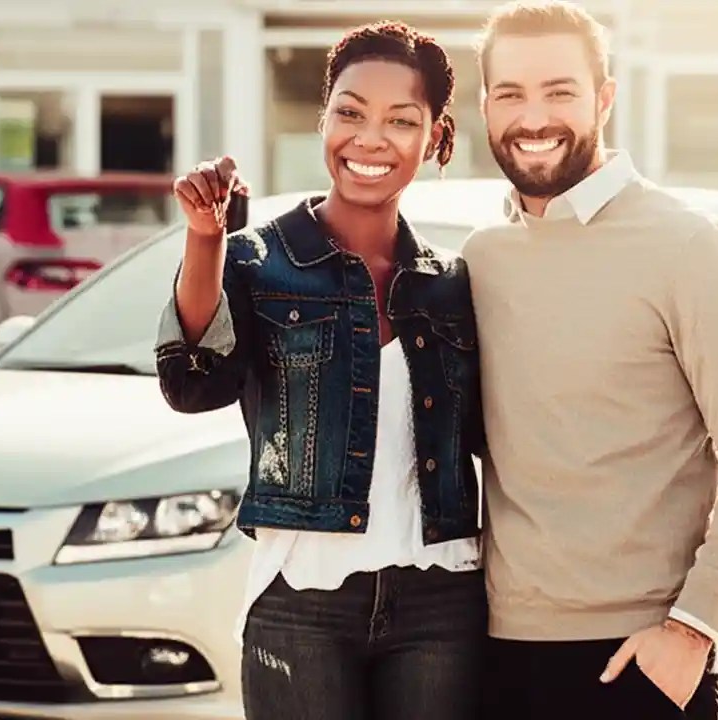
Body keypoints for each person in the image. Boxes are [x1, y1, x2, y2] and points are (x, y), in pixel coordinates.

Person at [464, 2, 718, 719]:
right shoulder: (482, 258)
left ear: (605, 98)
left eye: (561, 91)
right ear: (483, 105)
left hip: (637, 662)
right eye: (511, 94)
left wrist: (692, 629)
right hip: (496, 654)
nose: (534, 118)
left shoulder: (691, 247)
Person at [154, 21, 486, 720]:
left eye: (402, 120)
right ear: (324, 118)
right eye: (350, 112)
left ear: (435, 137)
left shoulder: (452, 285)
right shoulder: (255, 262)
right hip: (300, 604)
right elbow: (192, 382)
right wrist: (205, 238)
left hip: (442, 602)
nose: (370, 139)